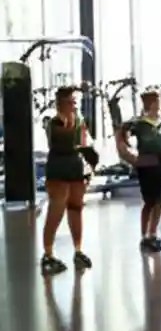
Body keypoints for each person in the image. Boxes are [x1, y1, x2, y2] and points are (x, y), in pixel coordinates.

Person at [40, 87, 97, 276]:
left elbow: (84, 142)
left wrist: (89, 166)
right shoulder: (53, 122)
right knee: (56, 211)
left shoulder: (79, 120)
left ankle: (78, 251)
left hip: (75, 168)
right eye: (70, 102)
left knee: (76, 208)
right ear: (60, 104)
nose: (74, 105)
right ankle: (48, 255)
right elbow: (62, 139)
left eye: (75, 101)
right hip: (58, 169)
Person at [116, 89, 161, 253]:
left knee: (160, 200)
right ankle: (144, 235)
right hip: (147, 165)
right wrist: (128, 153)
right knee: (149, 201)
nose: (159, 104)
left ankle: (153, 232)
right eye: (156, 101)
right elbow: (123, 134)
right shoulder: (140, 124)